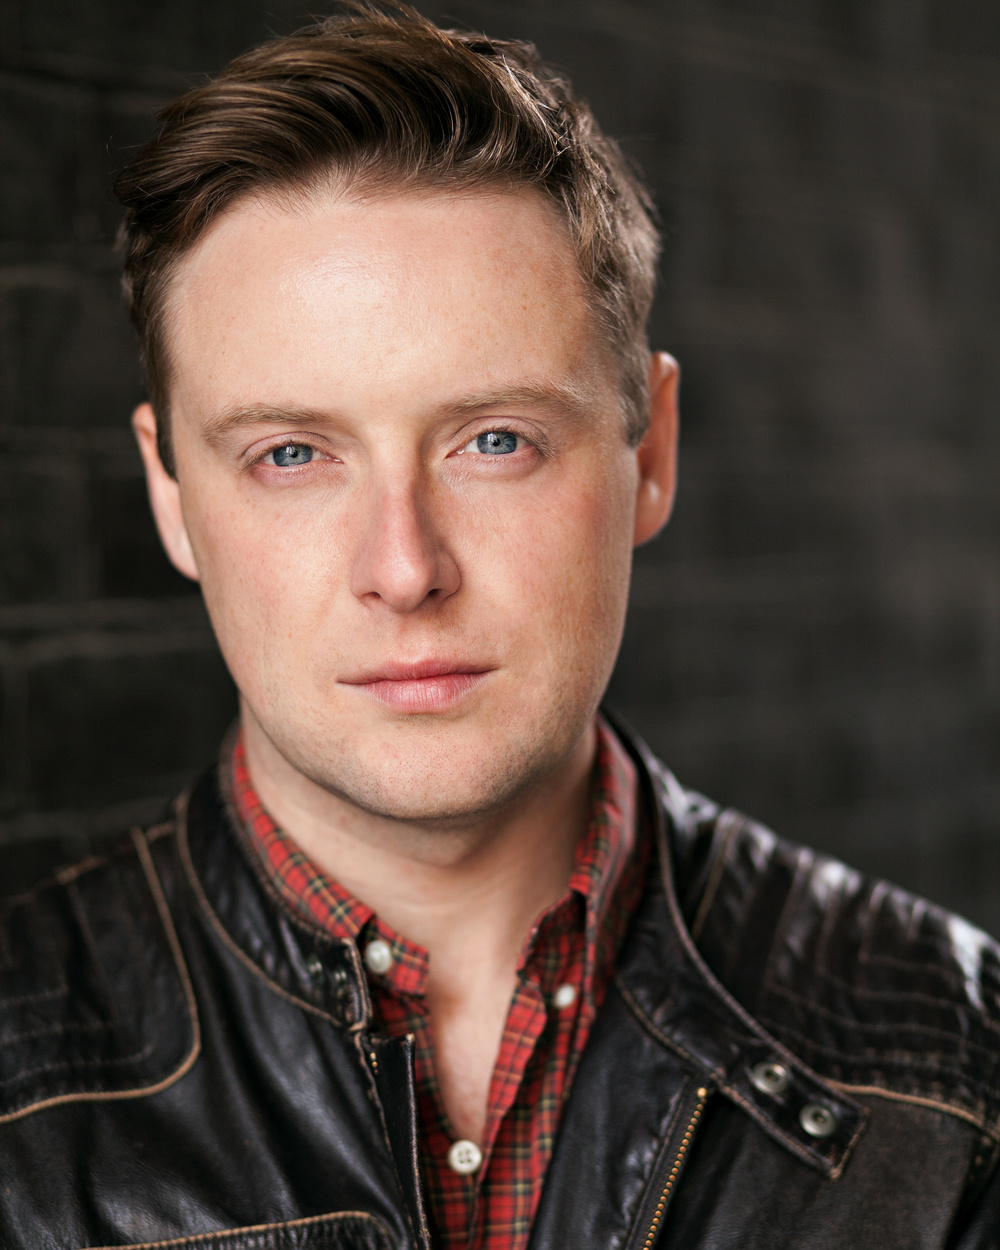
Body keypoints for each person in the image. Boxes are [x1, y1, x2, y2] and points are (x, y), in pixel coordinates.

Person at [1, 7, 997, 1248]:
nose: (404, 568)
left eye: (494, 440)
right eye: (292, 453)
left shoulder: (958, 1072)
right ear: (171, 496)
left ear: (649, 452)